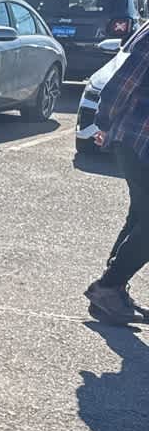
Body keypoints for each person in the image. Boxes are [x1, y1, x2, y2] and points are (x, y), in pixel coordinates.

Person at [87, 30, 149, 325]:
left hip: (136, 140)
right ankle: (109, 287)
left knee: (140, 218)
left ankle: (111, 292)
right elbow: (123, 82)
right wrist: (104, 122)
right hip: (140, 139)